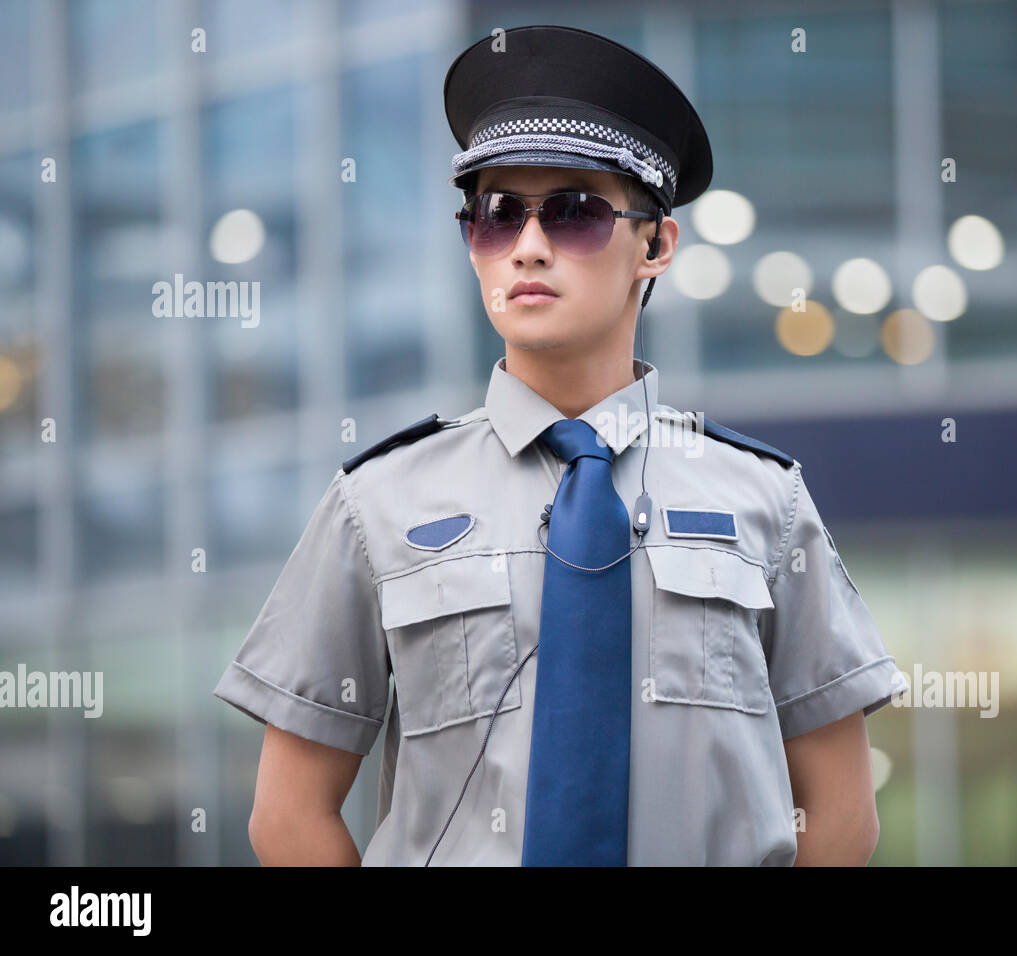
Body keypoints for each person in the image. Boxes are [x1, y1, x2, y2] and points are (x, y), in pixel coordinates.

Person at [212, 23, 908, 866]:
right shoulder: (378, 506)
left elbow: (840, 813)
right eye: (496, 215)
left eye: (575, 213)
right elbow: (288, 816)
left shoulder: (764, 502)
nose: (528, 246)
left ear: (655, 244)